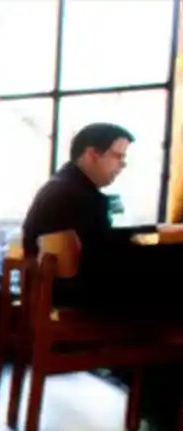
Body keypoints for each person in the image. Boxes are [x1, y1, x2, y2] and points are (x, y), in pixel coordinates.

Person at [20, 122, 161, 310]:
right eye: (118, 156)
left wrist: (149, 232)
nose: (123, 165)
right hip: (76, 298)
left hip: (50, 292)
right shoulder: (82, 196)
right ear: (91, 155)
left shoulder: (60, 186)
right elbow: (101, 258)